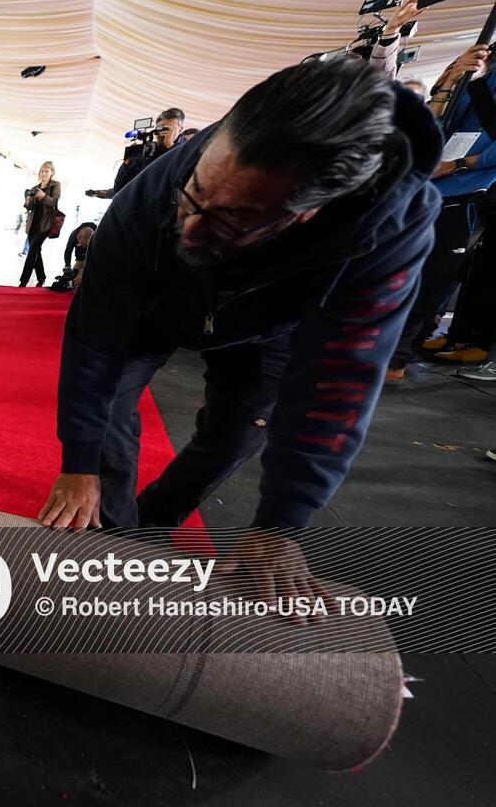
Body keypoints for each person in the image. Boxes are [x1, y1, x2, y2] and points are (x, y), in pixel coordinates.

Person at [37, 59, 439, 594]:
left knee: (235, 437)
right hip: (156, 302)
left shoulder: (389, 233)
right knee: (108, 412)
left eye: (234, 215)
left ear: (306, 214)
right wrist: (80, 461)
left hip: (270, 323)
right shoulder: (151, 199)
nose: (191, 229)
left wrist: (281, 525)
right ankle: (114, 538)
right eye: (196, 193)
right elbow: (95, 342)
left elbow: (338, 381)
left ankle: (152, 521)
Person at [387, 42, 496, 381]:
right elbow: (437, 120)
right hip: (425, 187)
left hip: (468, 192)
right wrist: (451, 78)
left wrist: (457, 165)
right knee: (396, 271)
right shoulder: (483, 62)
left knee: (432, 279)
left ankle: (396, 359)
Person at [19, 162, 60, 286]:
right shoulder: (35, 187)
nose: (44, 173)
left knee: (32, 250)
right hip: (32, 224)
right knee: (36, 250)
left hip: (46, 224)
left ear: (52, 172)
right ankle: (41, 277)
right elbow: (29, 207)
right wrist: (27, 198)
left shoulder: (55, 185)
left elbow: (53, 203)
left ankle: (23, 281)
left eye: (46, 171)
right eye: (42, 171)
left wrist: (43, 196)